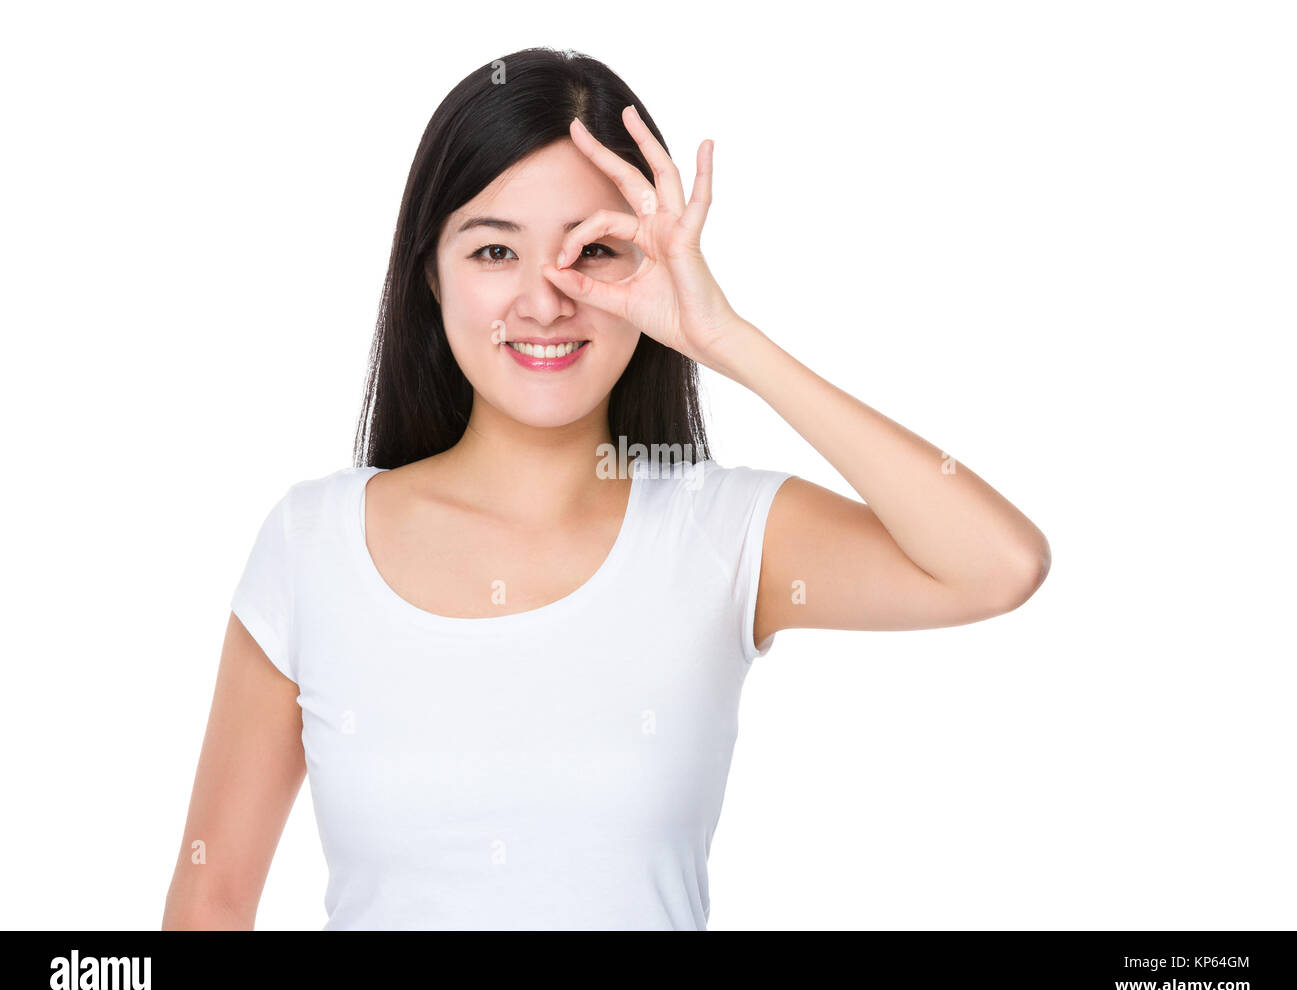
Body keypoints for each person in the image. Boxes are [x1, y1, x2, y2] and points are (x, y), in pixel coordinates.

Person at [163, 46, 1050, 931]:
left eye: (594, 251)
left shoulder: (721, 533)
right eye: (495, 250)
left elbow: (997, 566)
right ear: (430, 274)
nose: (546, 302)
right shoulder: (312, 543)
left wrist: (726, 338)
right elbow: (212, 898)